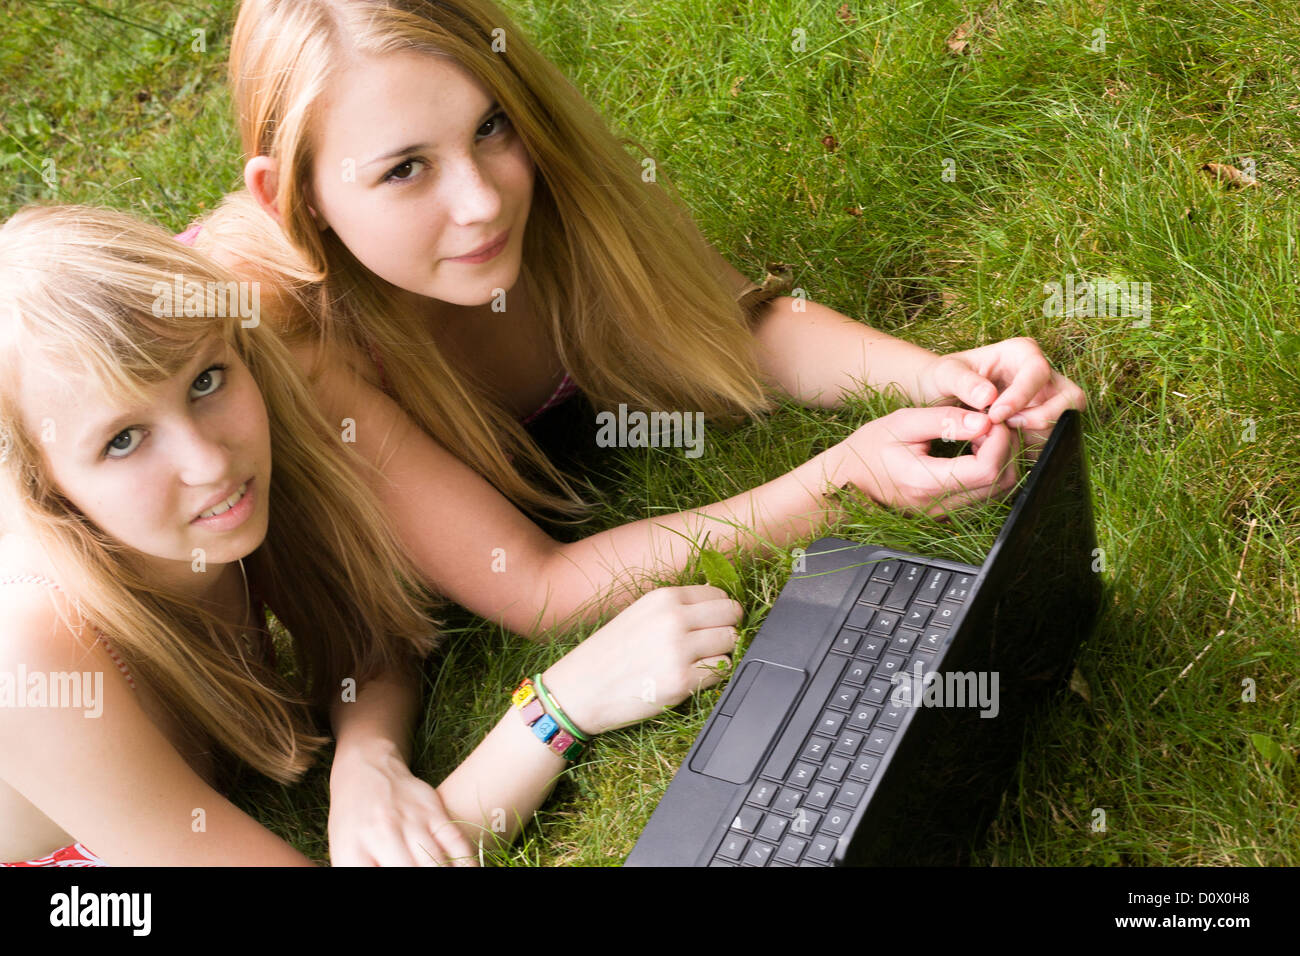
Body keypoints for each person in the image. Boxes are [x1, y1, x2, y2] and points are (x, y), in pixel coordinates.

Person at [190, 0, 1087, 641]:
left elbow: (729, 327)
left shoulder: (545, 178)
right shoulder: (279, 338)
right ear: (288, 197)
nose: (481, 201)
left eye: (491, 125)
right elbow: (537, 588)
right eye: (404, 170)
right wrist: (841, 481)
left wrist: (940, 377)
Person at [0, 204, 742, 866]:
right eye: (124, 441)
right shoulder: (34, 655)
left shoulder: (233, 470)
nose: (207, 461)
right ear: (42, 483)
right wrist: (555, 709)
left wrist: (367, 763)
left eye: (204, 381)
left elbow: (361, 630)